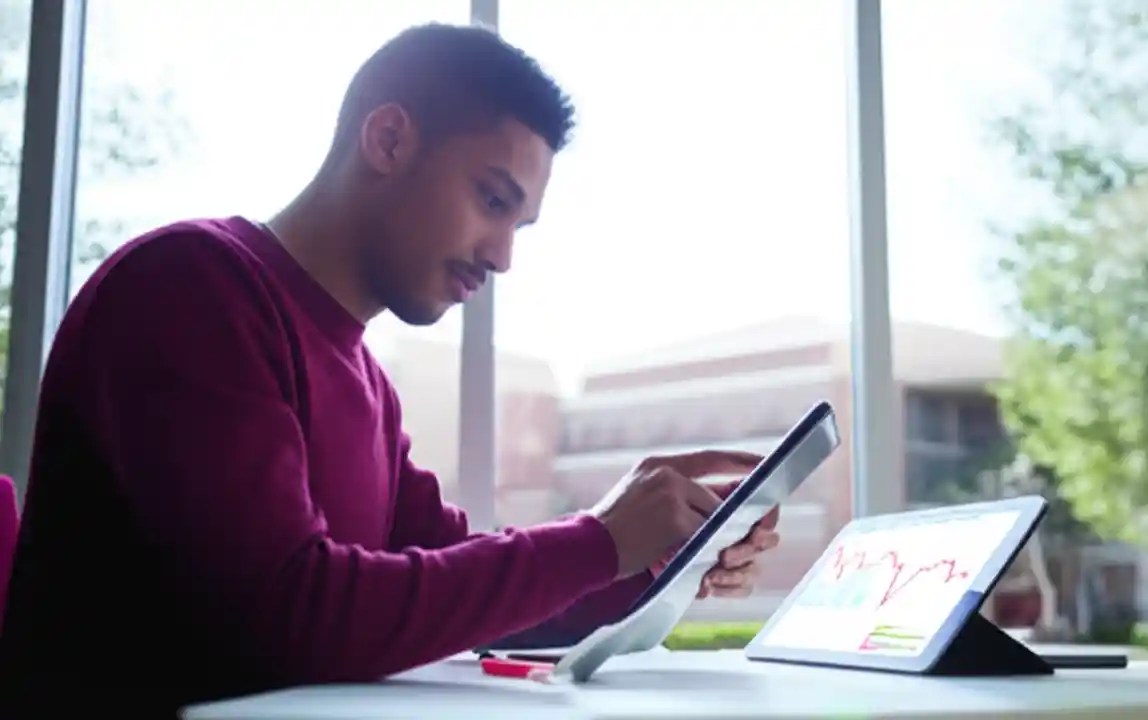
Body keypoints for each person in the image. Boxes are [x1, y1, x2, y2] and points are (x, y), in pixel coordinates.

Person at [0, 22, 781, 717]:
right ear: (389, 140)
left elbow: (466, 593)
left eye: (521, 223)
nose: (503, 255)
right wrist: (598, 540)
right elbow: (286, 614)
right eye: (491, 198)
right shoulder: (189, 288)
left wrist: (653, 563)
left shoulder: (368, 385)